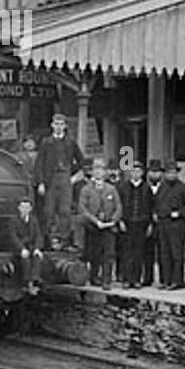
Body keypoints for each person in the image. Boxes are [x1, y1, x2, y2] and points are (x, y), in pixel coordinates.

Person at [34, 114, 83, 244]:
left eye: (61, 124)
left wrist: (74, 176)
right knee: (49, 210)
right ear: (52, 125)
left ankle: (64, 239)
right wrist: (41, 183)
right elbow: (39, 163)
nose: (59, 127)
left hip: (65, 178)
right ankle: (48, 239)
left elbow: (81, 160)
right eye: (56, 124)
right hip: (50, 179)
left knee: (65, 210)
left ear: (65, 126)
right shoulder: (46, 142)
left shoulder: (71, 142)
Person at [78, 157, 121, 289]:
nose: (98, 172)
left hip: (108, 226)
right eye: (96, 169)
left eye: (101, 169)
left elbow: (118, 206)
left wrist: (113, 220)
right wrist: (96, 221)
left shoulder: (111, 189)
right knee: (94, 253)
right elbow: (83, 208)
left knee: (108, 254)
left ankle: (106, 280)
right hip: (93, 226)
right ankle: (94, 277)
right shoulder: (86, 190)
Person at [153, 161, 185, 290]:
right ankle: (165, 280)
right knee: (164, 253)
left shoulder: (183, 188)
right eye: (169, 172)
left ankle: (177, 281)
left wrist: (180, 213)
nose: (171, 175)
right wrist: (155, 213)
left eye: (173, 172)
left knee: (176, 253)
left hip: (176, 224)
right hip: (162, 223)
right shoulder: (162, 187)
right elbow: (156, 202)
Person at [116, 162, 152, 288]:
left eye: (138, 171)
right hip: (127, 223)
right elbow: (119, 205)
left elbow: (151, 207)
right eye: (133, 171)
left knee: (138, 253)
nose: (136, 173)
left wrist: (149, 224)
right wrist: (120, 221)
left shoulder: (147, 188)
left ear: (142, 173)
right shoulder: (123, 187)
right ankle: (126, 279)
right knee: (127, 252)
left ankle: (136, 279)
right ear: (130, 172)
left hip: (142, 224)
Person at [9, 196, 44, 294]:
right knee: (26, 259)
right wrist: (21, 249)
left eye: (27, 207)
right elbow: (13, 237)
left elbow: (38, 235)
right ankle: (28, 284)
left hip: (31, 246)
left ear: (30, 209)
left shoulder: (33, 221)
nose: (25, 210)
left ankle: (35, 280)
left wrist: (37, 248)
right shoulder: (13, 221)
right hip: (19, 248)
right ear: (19, 208)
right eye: (23, 207)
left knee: (36, 257)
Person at [142, 160, 165, 286]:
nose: (154, 174)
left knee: (163, 252)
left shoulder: (165, 187)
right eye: (152, 172)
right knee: (148, 252)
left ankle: (163, 278)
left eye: (157, 172)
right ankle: (147, 277)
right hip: (149, 223)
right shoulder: (144, 188)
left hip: (163, 223)